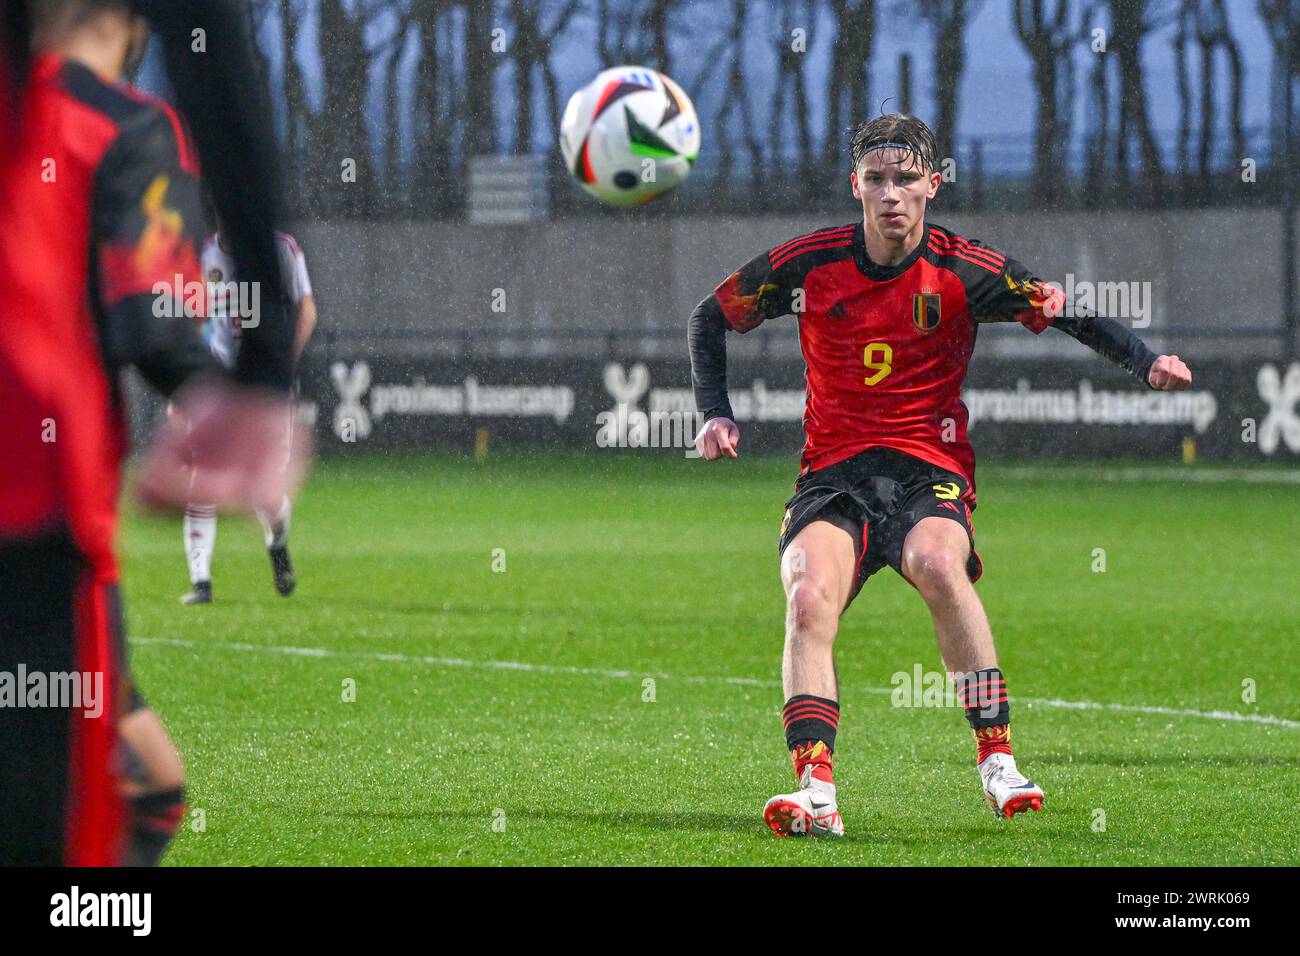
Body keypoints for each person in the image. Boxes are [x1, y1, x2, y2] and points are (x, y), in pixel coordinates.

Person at [687, 113, 1192, 837]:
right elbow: (710, 315)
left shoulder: (967, 269)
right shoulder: (807, 263)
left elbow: (1066, 307)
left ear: (934, 183)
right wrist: (714, 413)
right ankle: (816, 789)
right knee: (806, 597)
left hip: (928, 472)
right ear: (854, 185)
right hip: (832, 477)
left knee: (938, 564)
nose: (892, 194)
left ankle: (998, 762)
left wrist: (1144, 361)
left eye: (906, 179)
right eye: (877, 179)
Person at [0, 0, 305, 865]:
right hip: (30, 536)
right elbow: (156, 323)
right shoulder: (118, 125)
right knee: (111, 813)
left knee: (148, 780)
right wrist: (243, 387)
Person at [181, 223, 317, 604]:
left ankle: (278, 543)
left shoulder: (282, 249)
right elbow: (192, 321)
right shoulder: (204, 255)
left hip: (266, 387)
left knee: (266, 493)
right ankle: (201, 581)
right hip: (221, 382)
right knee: (200, 478)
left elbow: (307, 310)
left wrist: (283, 364)